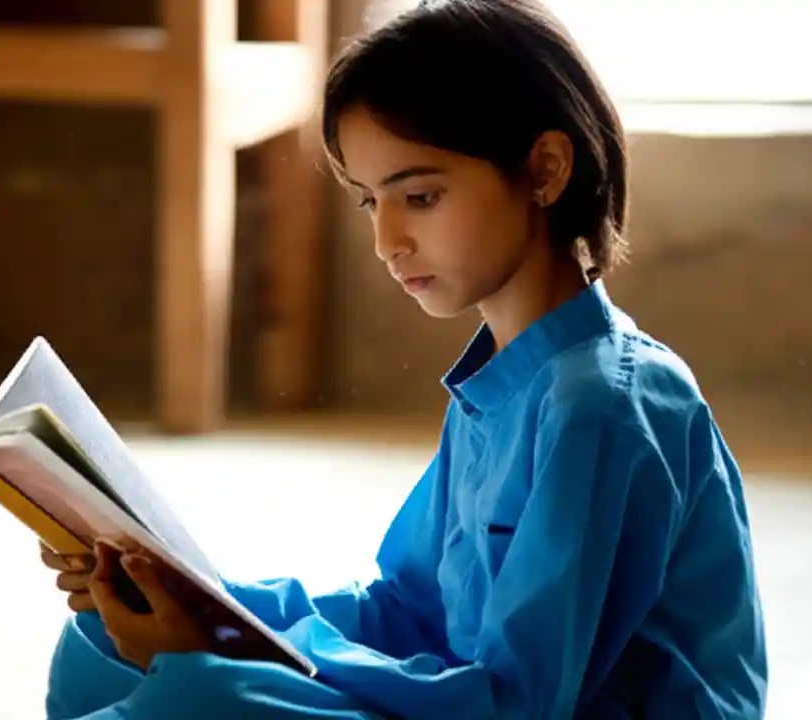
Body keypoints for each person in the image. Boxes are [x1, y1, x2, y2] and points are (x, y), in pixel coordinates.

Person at [41, 1, 768, 717]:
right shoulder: (502, 383)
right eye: (369, 203)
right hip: (480, 696)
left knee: (203, 693)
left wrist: (216, 653)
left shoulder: (602, 406)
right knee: (99, 642)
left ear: (544, 169)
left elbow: (520, 701)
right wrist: (184, 595)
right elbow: (407, 610)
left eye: (419, 196)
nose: (388, 240)